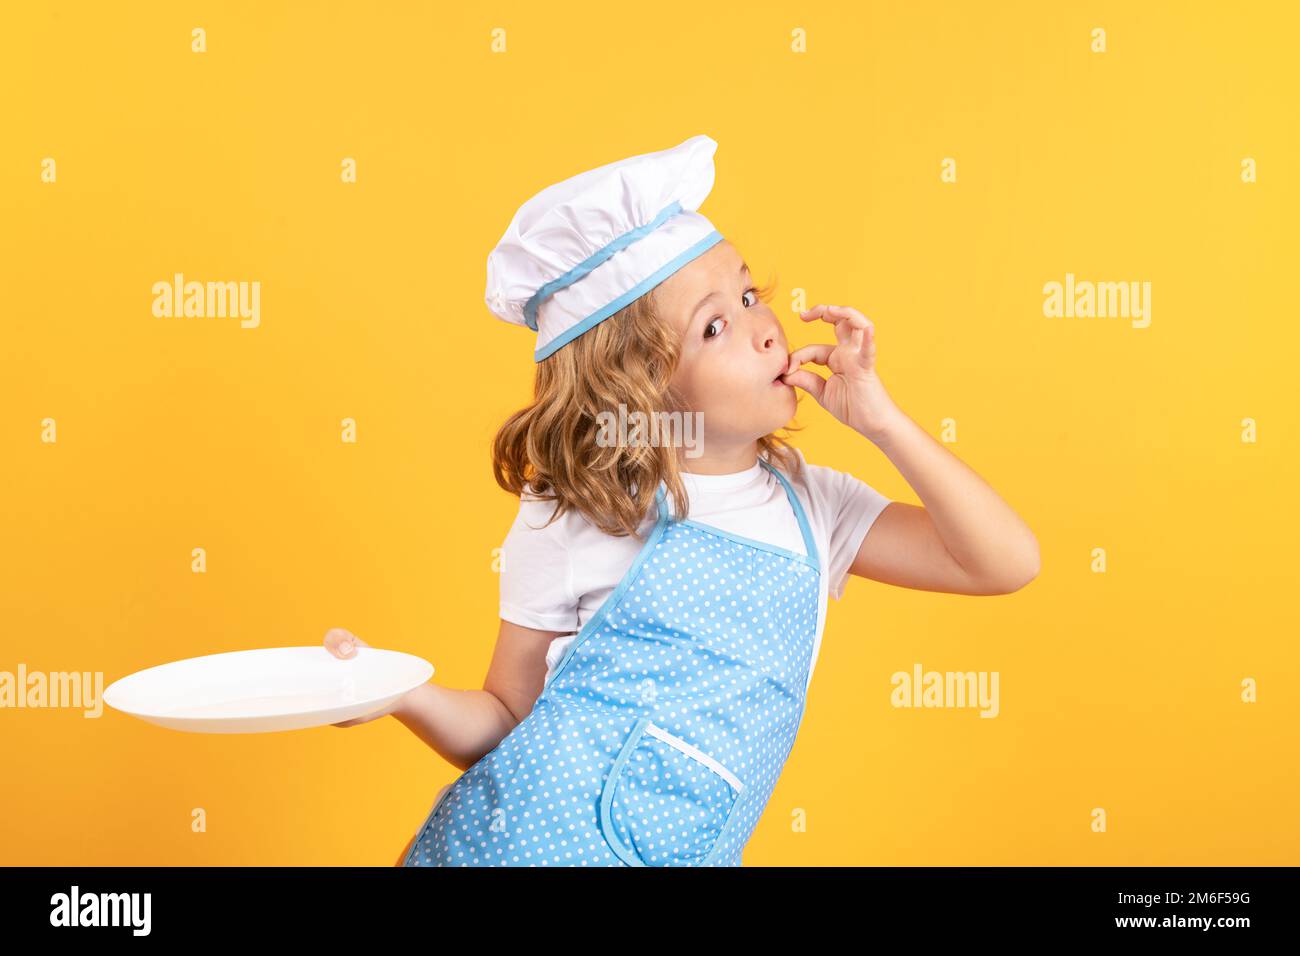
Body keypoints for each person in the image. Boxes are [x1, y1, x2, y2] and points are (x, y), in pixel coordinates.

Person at [326, 134, 1040, 867]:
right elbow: (507, 716)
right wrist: (397, 694)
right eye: (715, 326)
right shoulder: (577, 509)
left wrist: (885, 425)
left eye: (749, 294)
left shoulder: (813, 506)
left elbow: (1005, 561)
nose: (765, 328)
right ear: (640, 387)